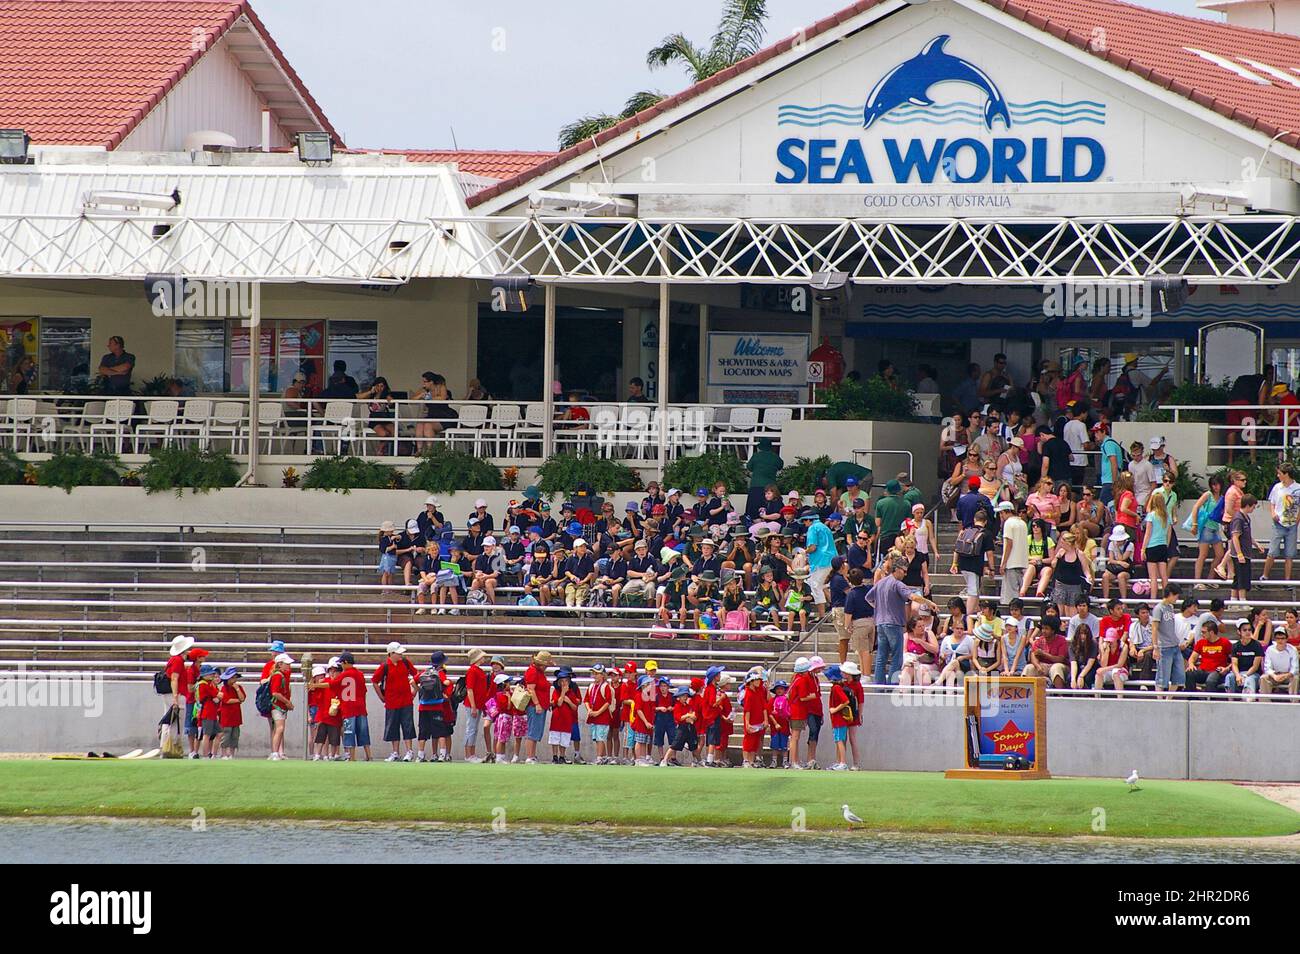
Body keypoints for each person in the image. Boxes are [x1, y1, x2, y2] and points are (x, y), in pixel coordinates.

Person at [866, 556, 939, 686]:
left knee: (881, 656)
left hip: (880, 623)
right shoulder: (898, 584)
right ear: (897, 569)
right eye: (904, 571)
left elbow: (868, 598)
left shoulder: (881, 582)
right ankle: (892, 686)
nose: (905, 574)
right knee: (897, 657)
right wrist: (929, 602)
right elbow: (913, 596)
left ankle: (879, 686)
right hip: (894, 623)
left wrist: (880, 608)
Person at [372, 642, 417, 761]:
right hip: (392, 702)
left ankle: (409, 751)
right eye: (398, 653)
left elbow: (416, 675)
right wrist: (381, 697)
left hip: (406, 701)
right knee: (393, 727)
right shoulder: (385, 666)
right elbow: (375, 681)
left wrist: (415, 690)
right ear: (391, 654)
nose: (401, 655)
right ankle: (395, 752)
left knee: (408, 726)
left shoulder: (405, 663)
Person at [1264, 463, 1300, 582]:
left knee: (1290, 554)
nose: (1278, 476)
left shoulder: (1297, 488)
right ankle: (1265, 576)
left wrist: (1297, 520)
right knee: (1272, 551)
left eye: (1280, 473)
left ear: (1286, 474)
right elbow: (1272, 502)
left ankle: (1287, 580)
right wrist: (1273, 513)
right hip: (1278, 523)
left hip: (1292, 524)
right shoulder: (1277, 487)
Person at [337, 652, 371, 761]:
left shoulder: (344, 674)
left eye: (342, 663)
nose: (341, 666)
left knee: (349, 732)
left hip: (348, 707)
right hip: (360, 707)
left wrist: (316, 685)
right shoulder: (360, 674)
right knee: (363, 732)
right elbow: (364, 691)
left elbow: (333, 684)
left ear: (346, 662)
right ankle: (368, 755)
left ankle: (352, 757)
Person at [1152, 583, 1184, 697]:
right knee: (1162, 677)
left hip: (1174, 645)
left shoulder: (1170, 608)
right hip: (1164, 646)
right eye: (1176, 596)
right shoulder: (1158, 608)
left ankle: (1168, 699)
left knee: (1179, 675)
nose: (1177, 598)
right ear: (1170, 594)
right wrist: (1155, 647)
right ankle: (1160, 700)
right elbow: (1154, 628)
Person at [1229, 495, 1263, 602]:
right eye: (1253, 506)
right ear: (1248, 505)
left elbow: (1247, 536)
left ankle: (1233, 600)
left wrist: (1256, 544)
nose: (1253, 509)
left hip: (1246, 552)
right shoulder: (1238, 518)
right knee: (1242, 578)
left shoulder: (1246, 518)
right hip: (1241, 554)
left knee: (1238, 578)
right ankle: (1242, 600)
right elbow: (1235, 537)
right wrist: (1239, 554)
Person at [1184, 620, 1231, 694]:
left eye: (1204, 632)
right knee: (1189, 673)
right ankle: (1192, 699)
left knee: (1211, 680)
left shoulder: (1225, 642)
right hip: (1203, 671)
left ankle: (1210, 702)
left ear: (1211, 632)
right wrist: (1191, 664)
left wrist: (1226, 668)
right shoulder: (1201, 642)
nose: (1202, 634)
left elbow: (1234, 660)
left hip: (1217, 671)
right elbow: (1192, 658)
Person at [522, 650, 553, 764]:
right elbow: (531, 689)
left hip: (541, 706)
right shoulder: (533, 672)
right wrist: (537, 704)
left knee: (536, 731)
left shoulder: (538, 672)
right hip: (535, 706)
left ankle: (532, 755)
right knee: (533, 731)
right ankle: (529, 756)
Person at [1022, 616, 1069, 688]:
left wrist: (1044, 654)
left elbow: (1060, 659)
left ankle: (1060, 695)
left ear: (1053, 630)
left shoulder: (1062, 640)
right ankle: (1025, 694)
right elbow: (1033, 655)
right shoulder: (1039, 640)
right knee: (1029, 668)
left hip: (1060, 665)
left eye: (1046, 629)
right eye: (1043, 628)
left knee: (1056, 668)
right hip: (1043, 666)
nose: (1043, 631)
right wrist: (1038, 666)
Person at [744, 438, 783, 517]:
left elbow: (749, 467)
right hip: (771, 487)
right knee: (770, 508)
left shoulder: (756, 456)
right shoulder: (775, 457)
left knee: (753, 510)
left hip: (756, 486)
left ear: (760, 447)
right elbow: (780, 465)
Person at [266, 652, 294, 760]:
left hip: (280, 706)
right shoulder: (278, 676)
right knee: (279, 729)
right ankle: (275, 752)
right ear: (280, 664)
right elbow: (275, 693)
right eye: (286, 664)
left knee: (279, 729)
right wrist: (287, 702)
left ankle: (275, 752)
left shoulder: (281, 675)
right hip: (278, 706)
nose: (289, 666)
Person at [1226, 623, 1263, 695]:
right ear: (1239, 632)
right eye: (1245, 630)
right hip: (1239, 672)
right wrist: (1237, 675)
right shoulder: (1235, 646)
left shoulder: (1257, 645)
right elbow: (1234, 664)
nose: (1247, 632)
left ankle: (1248, 702)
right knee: (1229, 677)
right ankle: (1230, 700)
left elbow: (1255, 667)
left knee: (1249, 680)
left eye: (1249, 630)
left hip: (1253, 674)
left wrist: (1245, 676)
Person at [217, 667, 244, 759]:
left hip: (236, 716)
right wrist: (237, 700)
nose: (234, 680)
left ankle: (232, 754)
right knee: (226, 734)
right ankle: (224, 753)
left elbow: (242, 698)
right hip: (226, 716)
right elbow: (227, 700)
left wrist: (237, 690)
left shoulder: (239, 687)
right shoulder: (224, 688)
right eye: (232, 678)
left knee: (235, 735)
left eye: (235, 678)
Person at [1261, 627, 1299, 695]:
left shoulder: (1292, 650)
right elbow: (1267, 667)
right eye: (1278, 638)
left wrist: (1286, 675)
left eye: (1282, 638)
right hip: (1275, 675)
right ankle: (1265, 703)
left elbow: (1295, 668)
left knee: (1295, 678)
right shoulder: (1270, 649)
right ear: (1275, 639)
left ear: (1286, 639)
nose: (1280, 641)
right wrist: (1274, 676)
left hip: (1288, 675)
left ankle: (1294, 703)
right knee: (1263, 678)